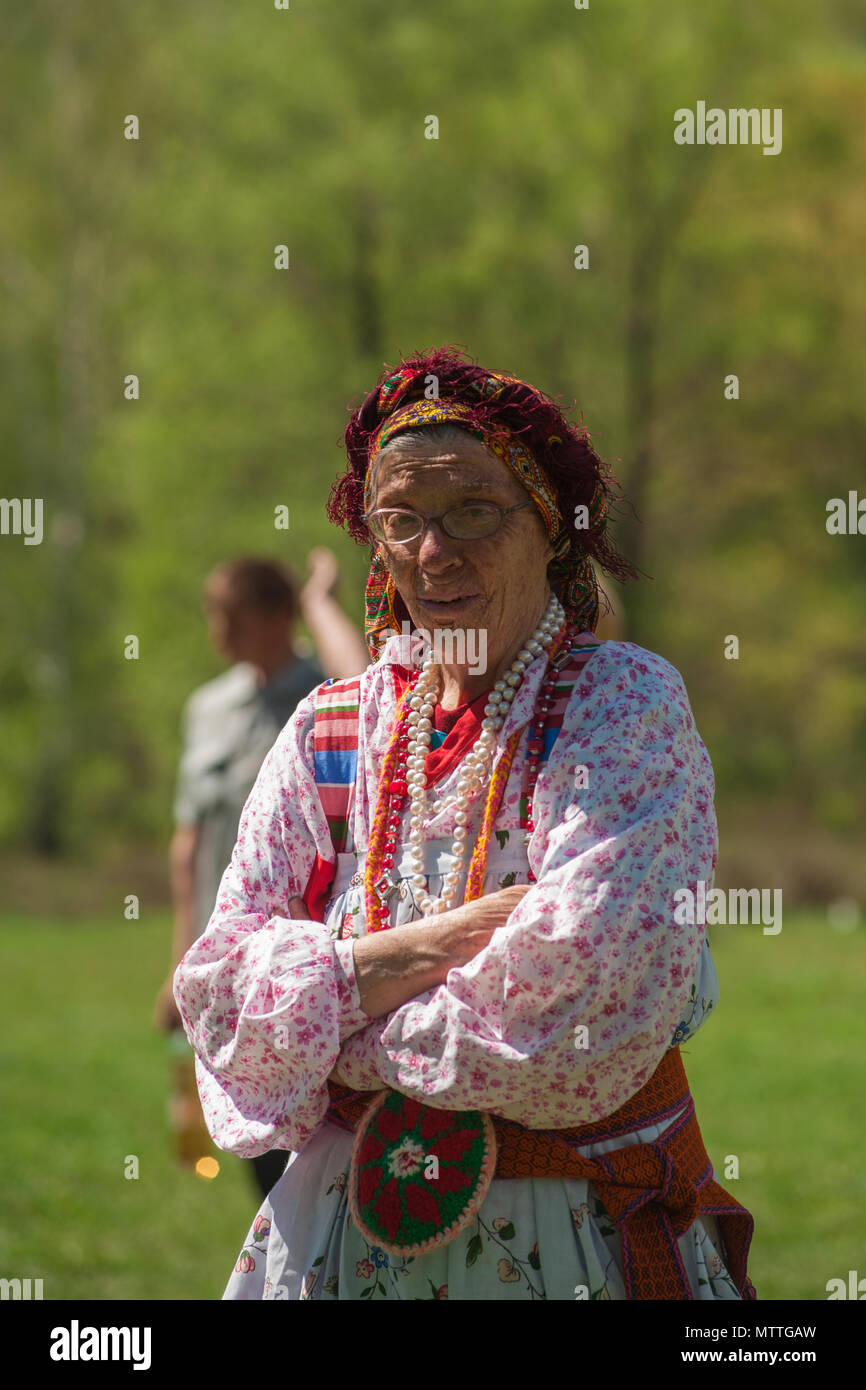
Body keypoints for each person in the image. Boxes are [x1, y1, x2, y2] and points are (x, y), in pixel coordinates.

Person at [174, 347, 757, 1300]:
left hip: (573, 1235)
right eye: (399, 522)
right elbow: (219, 999)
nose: (432, 553)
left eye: (472, 514)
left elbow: (587, 1006)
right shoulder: (330, 728)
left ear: (548, 529)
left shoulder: (621, 706)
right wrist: (450, 941)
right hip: (339, 1235)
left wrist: (324, 1023)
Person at [154, 548, 369, 1199]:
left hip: (306, 956)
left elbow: (368, 685)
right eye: (212, 614)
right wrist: (182, 957)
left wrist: (319, 603)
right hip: (232, 955)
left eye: (231, 615)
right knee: (253, 1143)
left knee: (318, 1151)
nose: (216, 631)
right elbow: (189, 844)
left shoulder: (322, 693)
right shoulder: (208, 708)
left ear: (278, 617)